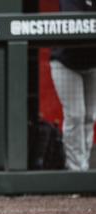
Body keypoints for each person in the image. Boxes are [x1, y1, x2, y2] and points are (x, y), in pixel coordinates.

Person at [50, 0, 96, 171]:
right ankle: (76, 169)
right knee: (75, 115)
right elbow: (77, 22)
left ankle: (84, 164)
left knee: (90, 117)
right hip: (65, 63)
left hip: (92, 65)